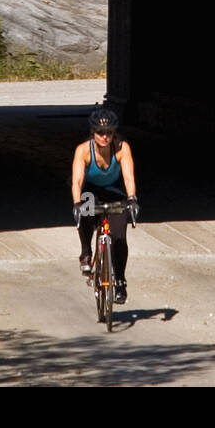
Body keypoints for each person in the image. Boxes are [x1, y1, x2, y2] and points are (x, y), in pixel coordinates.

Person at [71, 106, 138, 303]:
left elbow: (128, 177)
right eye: (100, 132)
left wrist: (132, 199)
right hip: (90, 191)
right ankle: (86, 251)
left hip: (114, 191)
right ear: (93, 133)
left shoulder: (122, 148)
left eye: (109, 132)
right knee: (85, 210)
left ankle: (120, 281)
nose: (104, 137)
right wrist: (76, 203)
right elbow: (76, 180)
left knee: (118, 238)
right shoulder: (83, 150)